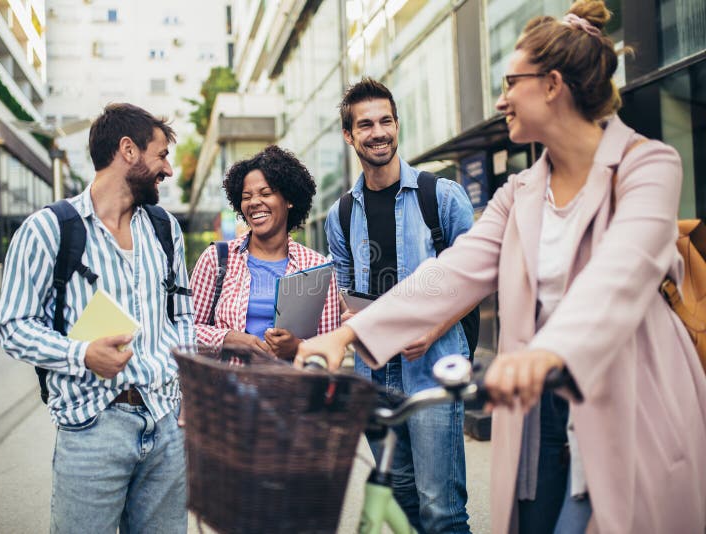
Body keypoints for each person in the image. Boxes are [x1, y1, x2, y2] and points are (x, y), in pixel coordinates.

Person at [298, 1, 706, 533]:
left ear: (552, 85)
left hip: (632, 404)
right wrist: (348, 335)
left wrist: (545, 353)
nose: (500, 98)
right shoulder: (520, 192)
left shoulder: (647, 165)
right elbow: (449, 273)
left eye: (512, 82)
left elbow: (621, 273)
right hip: (540, 417)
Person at [0, 103, 194, 533]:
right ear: (128, 150)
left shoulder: (164, 229)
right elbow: (13, 326)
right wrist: (81, 354)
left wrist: (189, 391)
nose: (168, 170)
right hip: (91, 426)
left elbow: (183, 314)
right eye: (161, 155)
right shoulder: (47, 230)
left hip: (166, 422)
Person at [324, 78, 474, 533]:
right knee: (404, 507)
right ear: (350, 135)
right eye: (365, 124)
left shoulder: (441, 196)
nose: (378, 132)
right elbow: (347, 290)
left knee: (441, 510)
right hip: (374, 376)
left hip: (432, 366)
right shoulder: (341, 214)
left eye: (386, 120)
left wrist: (431, 327)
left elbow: (474, 280)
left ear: (397, 124)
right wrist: (352, 319)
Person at [190, 144, 339, 359]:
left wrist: (297, 346)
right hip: (228, 389)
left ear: (288, 200)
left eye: (266, 193)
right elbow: (185, 331)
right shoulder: (217, 259)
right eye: (246, 196)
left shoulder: (316, 268)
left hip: (292, 389)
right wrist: (228, 338)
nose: (254, 203)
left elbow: (330, 345)